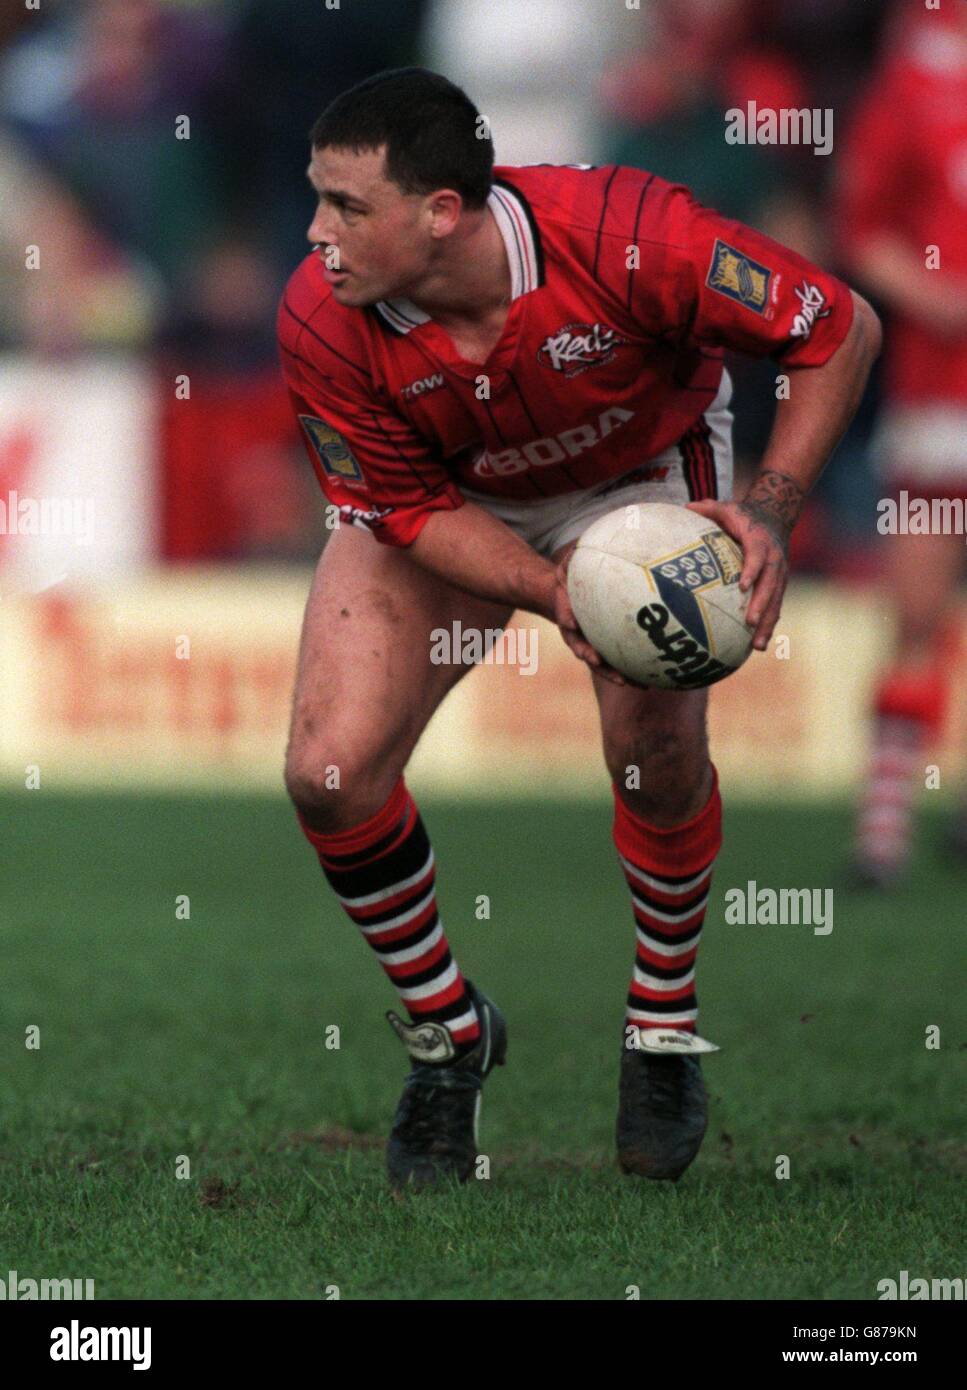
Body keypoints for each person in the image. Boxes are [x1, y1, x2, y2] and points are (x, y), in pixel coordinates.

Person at [277, 68, 880, 1189]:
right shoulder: (321, 317)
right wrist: (556, 590)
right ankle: (448, 1032)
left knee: (652, 756)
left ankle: (659, 1020)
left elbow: (838, 328)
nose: (315, 234)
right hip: (455, 505)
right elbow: (403, 509)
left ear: (442, 211)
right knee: (328, 770)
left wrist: (768, 512)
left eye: (347, 207)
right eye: (315, 201)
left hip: (643, 484)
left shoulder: (628, 233)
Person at [840, 6, 967, 887]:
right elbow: (862, 228)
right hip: (939, 387)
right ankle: (882, 834)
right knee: (915, 614)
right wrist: (937, 298)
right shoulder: (915, 66)